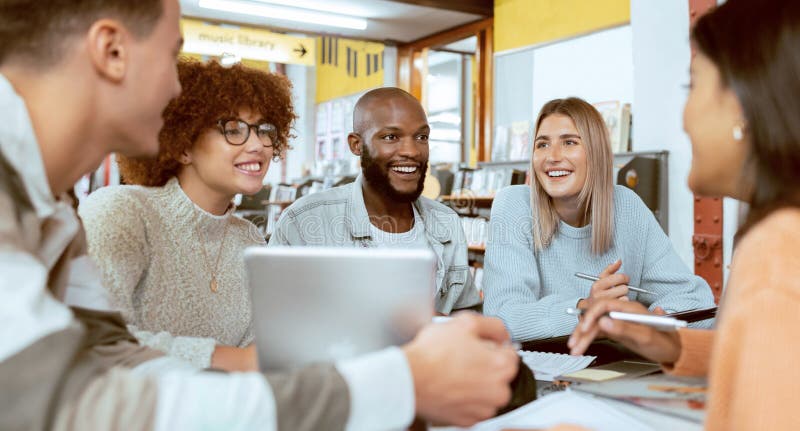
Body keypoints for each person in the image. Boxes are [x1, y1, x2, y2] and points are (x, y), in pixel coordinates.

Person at [0, 0, 519, 429]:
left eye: (266, 132)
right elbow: (64, 401)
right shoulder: (98, 207)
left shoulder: (52, 206)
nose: (176, 90)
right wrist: (397, 385)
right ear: (111, 51)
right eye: (170, 56)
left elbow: (109, 354)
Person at [566, 0, 800, 429]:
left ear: (744, 106)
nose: (685, 117)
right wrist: (669, 342)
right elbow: (771, 363)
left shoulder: (777, 252)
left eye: (691, 87)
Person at [78, 59, 292, 371]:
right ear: (182, 146)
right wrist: (229, 359)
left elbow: (254, 346)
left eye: (265, 130)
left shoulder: (248, 238)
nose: (258, 144)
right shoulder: (121, 211)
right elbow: (90, 337)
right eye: (233, 129)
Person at [482, 97, 715, 341]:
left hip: (614, 366)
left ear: (596, 153)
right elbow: (502, 319)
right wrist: (585, 309)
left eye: (569, 142)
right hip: (539, 372)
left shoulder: (627, 206)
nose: (552, 156)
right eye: (542, 145)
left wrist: (654, 322)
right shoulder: (513, 204)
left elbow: (697, 301)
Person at [269, 87, 481, 315]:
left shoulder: (446, 222)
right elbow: (271, 318)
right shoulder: (305, 220)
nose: (411, 151)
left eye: (421, 137)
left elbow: (466, 313)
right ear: (356, 145)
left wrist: (449, 326)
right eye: (391, 137)